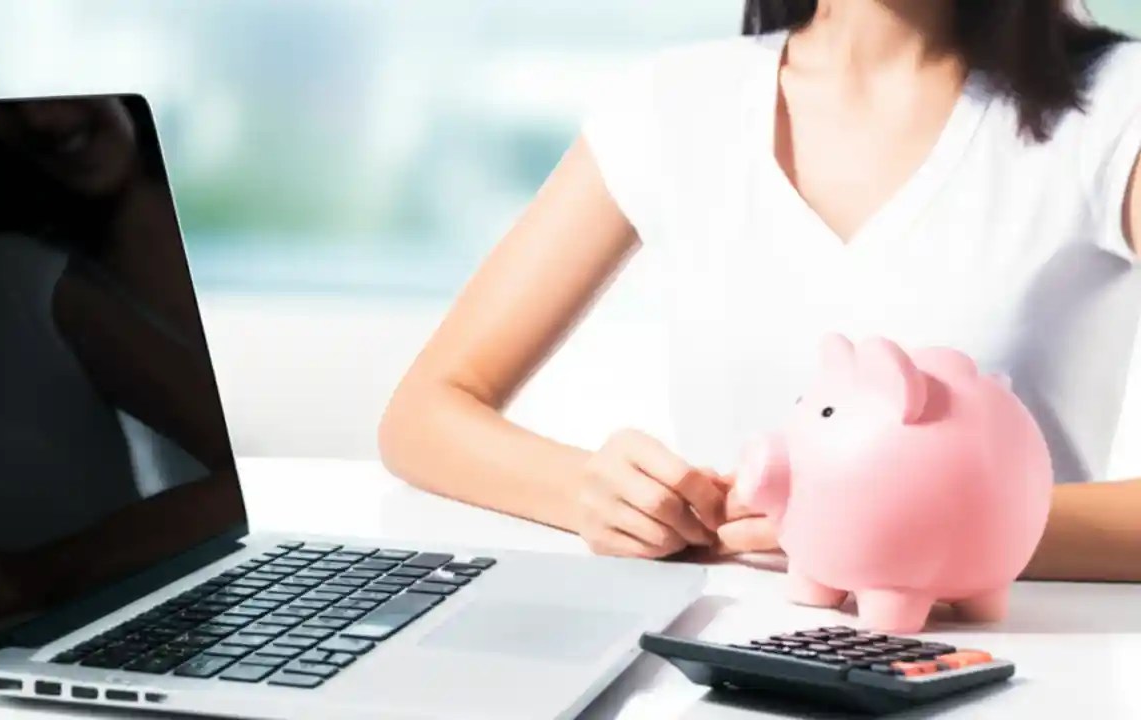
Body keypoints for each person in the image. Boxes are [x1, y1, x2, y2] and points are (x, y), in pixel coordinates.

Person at [379, 0, 1141, 582]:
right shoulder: (675, 103)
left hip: (1015, 664)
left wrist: (934, 529)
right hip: (716, 658)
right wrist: (586, 491)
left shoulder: (1114, 110)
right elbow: (424, 413)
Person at [0, 97, 240, 638]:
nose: (40, 120)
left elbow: (235, 484)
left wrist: (26, 578)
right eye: (11, 108)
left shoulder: (10, 282)